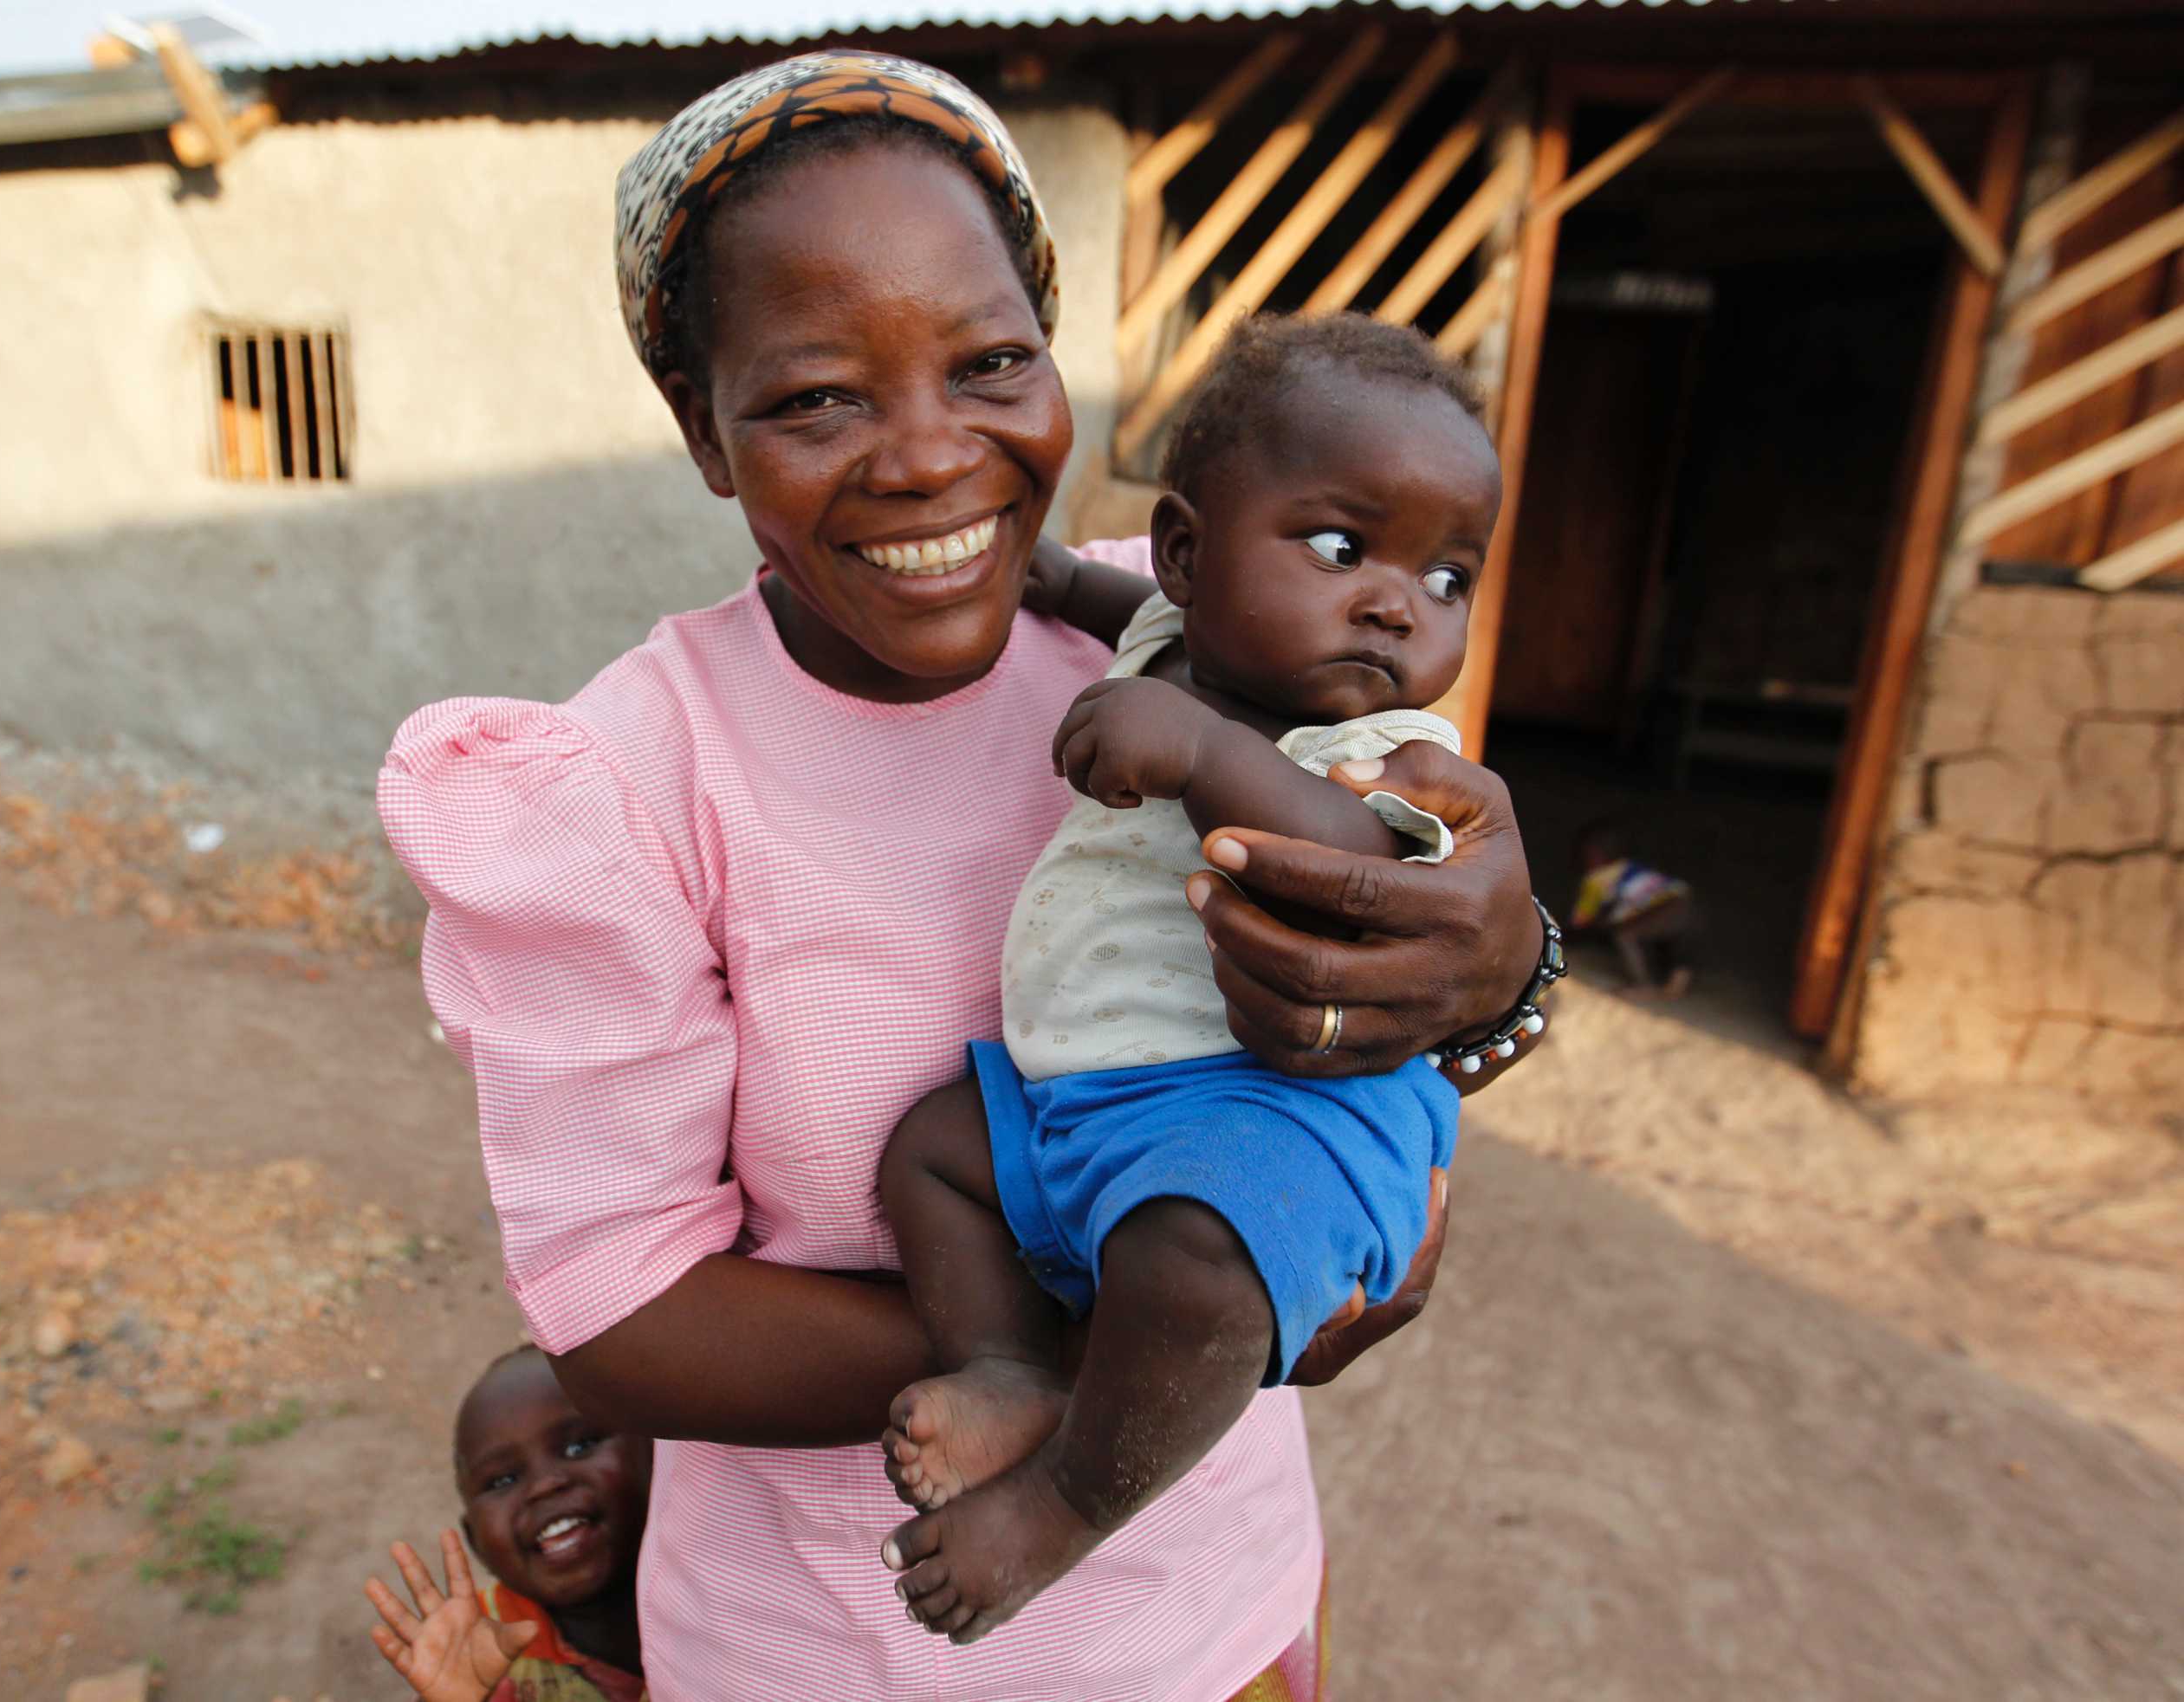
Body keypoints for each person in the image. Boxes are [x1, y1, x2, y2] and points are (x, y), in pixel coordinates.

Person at [378, 49, 1552, 1701]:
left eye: (991, 362)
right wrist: (1166, 1344)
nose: (930, 458)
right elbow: (623, 1318)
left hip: (1217, 1611)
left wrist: (1508, 963)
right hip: (846, 1653)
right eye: (815, 396)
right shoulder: (622, 790)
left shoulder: (1193, 626)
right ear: (703, 435)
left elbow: (1417, 841)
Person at [877, 313, 1511, 1644]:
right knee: (930, 1150)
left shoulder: (1384, 747)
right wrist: (1049, 582)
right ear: (1183, 552)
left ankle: (1064, 1507)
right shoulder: (1170, 633)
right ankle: (1005, 1363)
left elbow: (1351, 861)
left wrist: (1202, 754)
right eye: (1342, 549)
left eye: (1448, 577)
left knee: (1198, 1266)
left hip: (1276, 1114)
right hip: (1089, 1099)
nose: (1398, 603)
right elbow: (1138, 616)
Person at [365, 1346, 651, 1702]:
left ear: (656, 1454)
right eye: (502, 1480)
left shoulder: (729, 1584)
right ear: (476, 1544)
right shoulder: (481, 1656)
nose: (545, 1485)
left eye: (580, 1446)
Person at [1571, 818, 1693, 998]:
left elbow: (1580, 921)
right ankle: (1677, 985)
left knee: (1625, 935)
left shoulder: (1597, 879)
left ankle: (1642, 984)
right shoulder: (1628, 867)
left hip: (1666, 906)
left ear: (1594, 854)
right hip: (1683, 896)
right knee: (1676, 940)